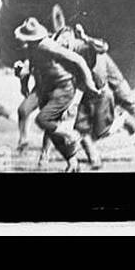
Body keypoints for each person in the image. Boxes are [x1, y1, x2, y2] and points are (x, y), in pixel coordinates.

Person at [14, 16, 102, 172]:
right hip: (44, 87)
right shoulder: (32, 48)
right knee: (24, 111)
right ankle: (24, 141)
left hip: (62, 88)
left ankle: (72, 148)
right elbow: (28, 68)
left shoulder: (49, 46)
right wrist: (22, 79)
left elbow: (79, 61)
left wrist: (89, 85)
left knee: (46, 123)